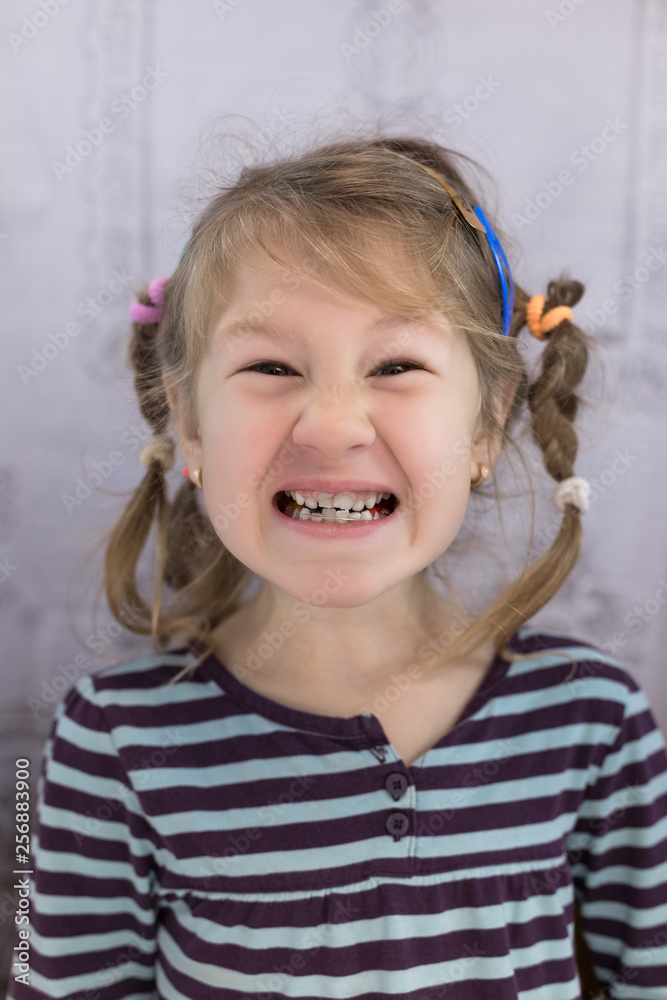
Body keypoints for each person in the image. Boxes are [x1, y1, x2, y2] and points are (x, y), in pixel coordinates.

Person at [8, 135, 667, 1000]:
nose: (329, 424)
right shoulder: (118, 743)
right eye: (270, 367)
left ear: (485, 422)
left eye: (395, 366)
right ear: (191, 426)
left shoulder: (590, 722)